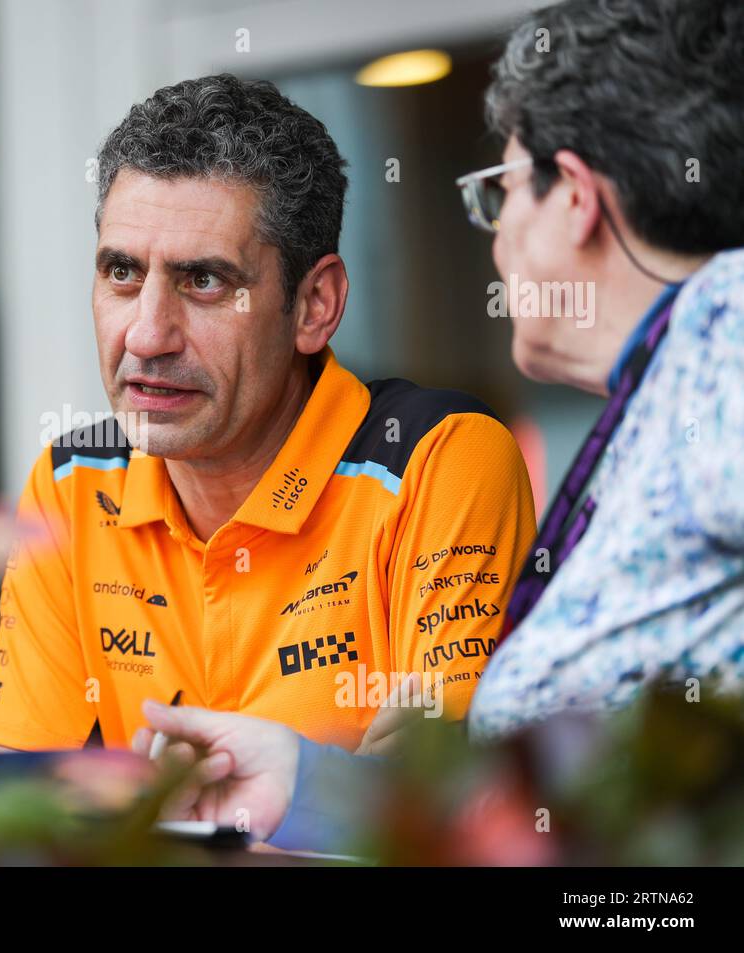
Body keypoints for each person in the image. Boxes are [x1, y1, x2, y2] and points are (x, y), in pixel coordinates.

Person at [132, 0, 744, 849]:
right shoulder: (671, 378)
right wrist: (301, 779)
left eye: (501, 194)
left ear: (573, 197)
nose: (496, 243)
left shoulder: (728, 327)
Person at [0, 74, 536, 756]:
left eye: (204, 282)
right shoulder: (73, 484)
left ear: (315, 305)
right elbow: (20, 791)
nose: (147, 336)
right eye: (122, 273)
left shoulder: (438, 458)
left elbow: (434, 788)